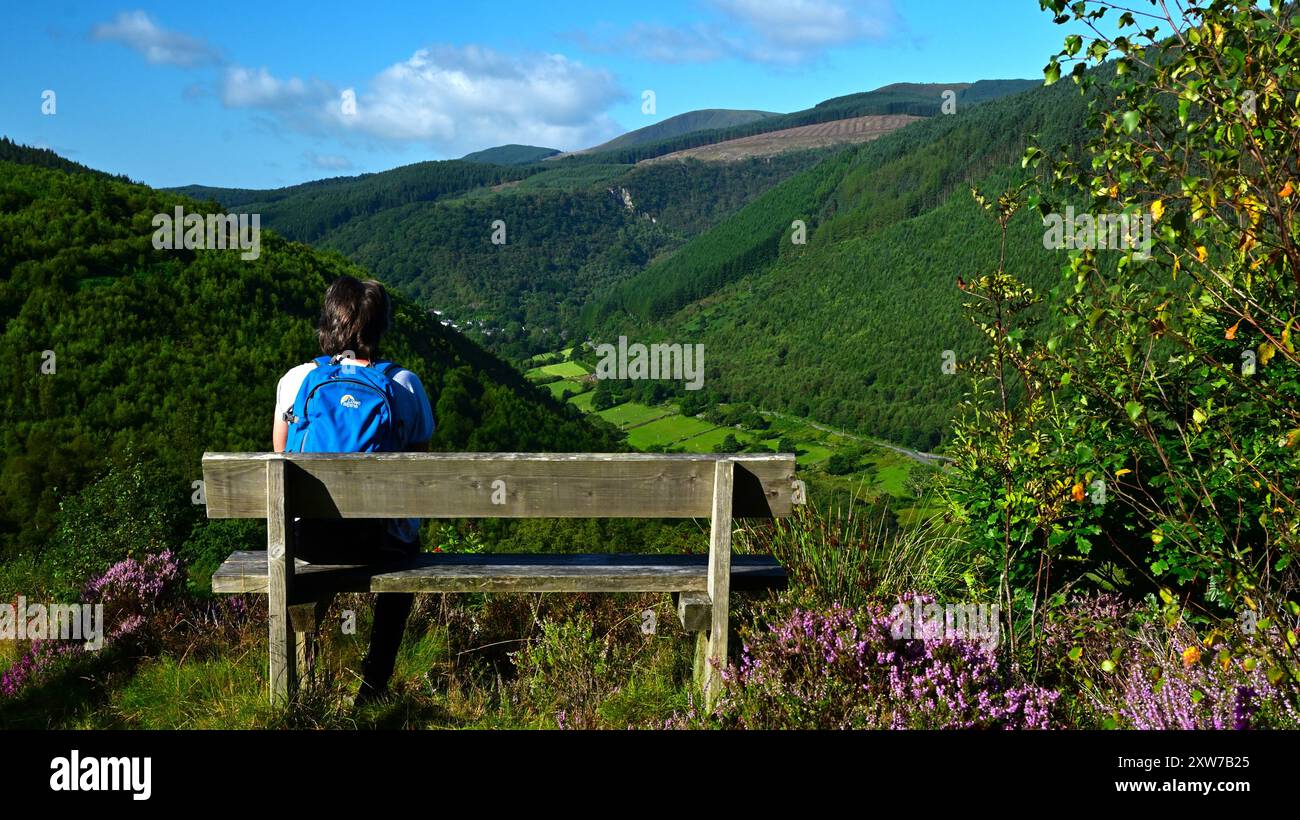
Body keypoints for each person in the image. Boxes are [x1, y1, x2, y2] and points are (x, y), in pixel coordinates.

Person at [271, 275, 434, 704]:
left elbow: (281, 454)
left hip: (310, 541)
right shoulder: (405, 385)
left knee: (305, 563)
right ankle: (374, 684)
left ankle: (304, 679)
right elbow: (420, 470)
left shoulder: (295, 381)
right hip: (380, 543)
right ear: (379, 327)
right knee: (407, 547)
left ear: (329, 322)